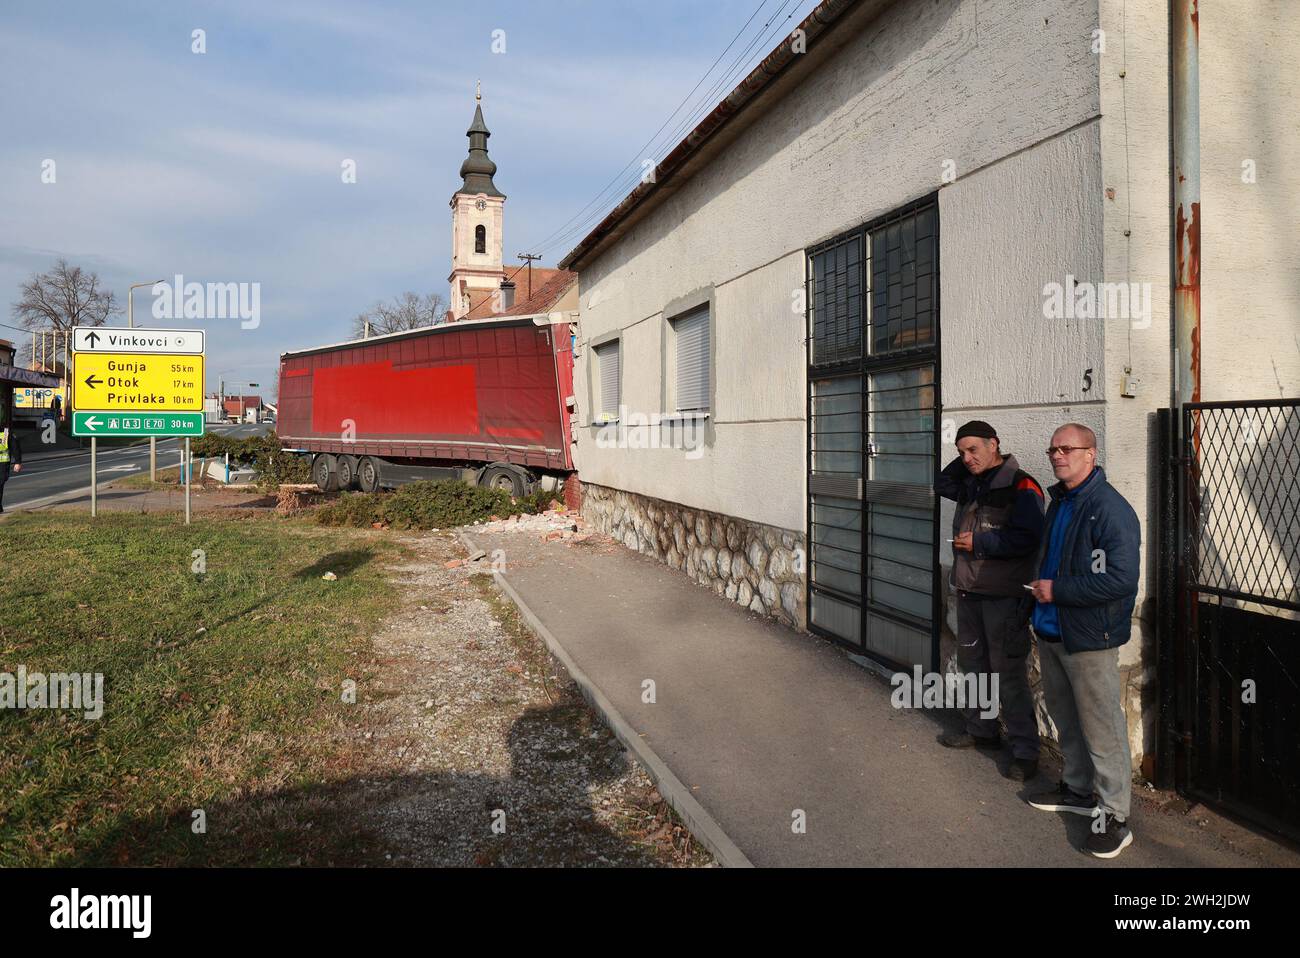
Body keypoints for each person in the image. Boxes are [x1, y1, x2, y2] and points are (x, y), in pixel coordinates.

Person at [1025, 423, 1140, 860]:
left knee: (1101, 726)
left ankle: (1115, 816)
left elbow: (1120, 579)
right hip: (1051, 629)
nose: (1057, 455)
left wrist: (1058, 590)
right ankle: (1076, 790)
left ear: (1091, 454)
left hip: (1090, 637)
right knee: (1066, 717)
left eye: (1067, 448)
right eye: (1053, 449)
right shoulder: (1061, 501)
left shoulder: (1109, 508)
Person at [935, 420, 1046, 780]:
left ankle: (1025, 751)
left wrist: (980, 543)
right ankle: (982, 730)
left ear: (994, 444)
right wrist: (968, 458)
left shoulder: (1022, 485)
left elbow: (1029, 539)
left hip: (1004, 597)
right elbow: (941, 484)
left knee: (1008, 674)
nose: (967, 458)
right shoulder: (971, 482)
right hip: (969, 591)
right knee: (974, 666)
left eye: (973, 450)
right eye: (960, 452)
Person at [0, 418, 23, 513]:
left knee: (0, 484)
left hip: (2, 463)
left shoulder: (6, 432)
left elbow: (15, 447)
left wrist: (18, 462)